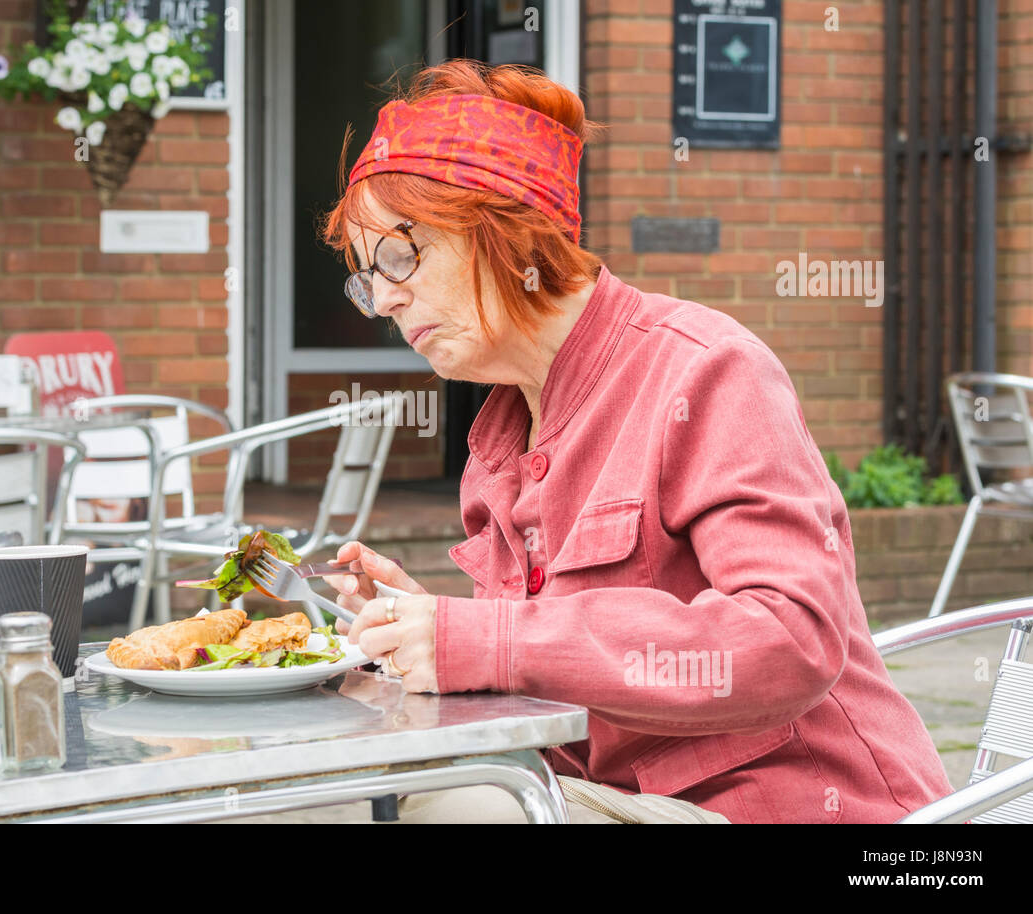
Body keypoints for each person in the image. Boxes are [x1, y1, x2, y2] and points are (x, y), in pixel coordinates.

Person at [318, 60, 955, 824]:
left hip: (789, 810)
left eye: (398, 254)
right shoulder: (501, 432)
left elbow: (789, 640)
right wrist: (426, 626)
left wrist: (485, 642)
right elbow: (549, 668)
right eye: (365, 276)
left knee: (437, 812)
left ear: (506, 228)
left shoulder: (706, 369)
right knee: (308, 798)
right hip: (604, 799)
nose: (383, 298)